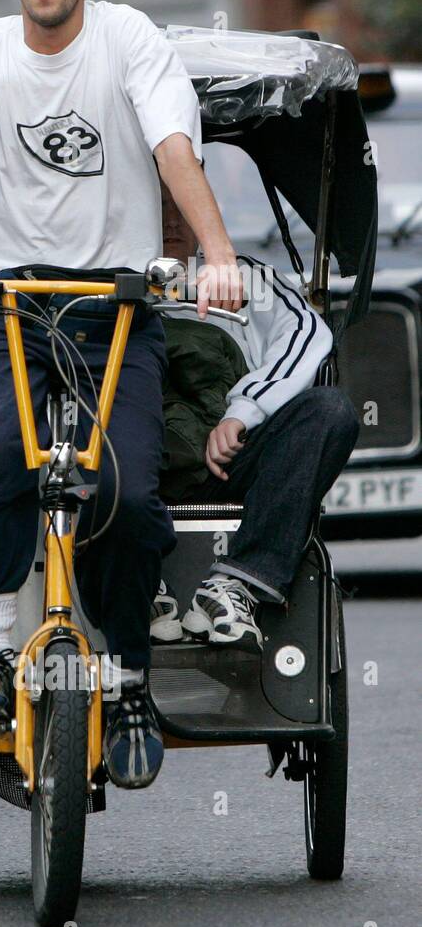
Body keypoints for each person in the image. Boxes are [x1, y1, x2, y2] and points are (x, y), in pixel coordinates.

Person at [0, 0, 245, 788]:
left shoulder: (131, 41)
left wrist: (216, 255)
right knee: (2, 450)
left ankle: (127, 677)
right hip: (0, 305)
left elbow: (172, 145)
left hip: (113, 309)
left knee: (123, 487)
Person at [155, 196, 359, 650]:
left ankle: (237, 585)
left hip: (227, 465)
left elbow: (308, 333)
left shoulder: (242, 276)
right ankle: (138, 581)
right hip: (134, 469)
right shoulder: (88, 281)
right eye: (157, 201)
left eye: (180, 203)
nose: (171, 217)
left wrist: (242, 413)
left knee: (329, 410)